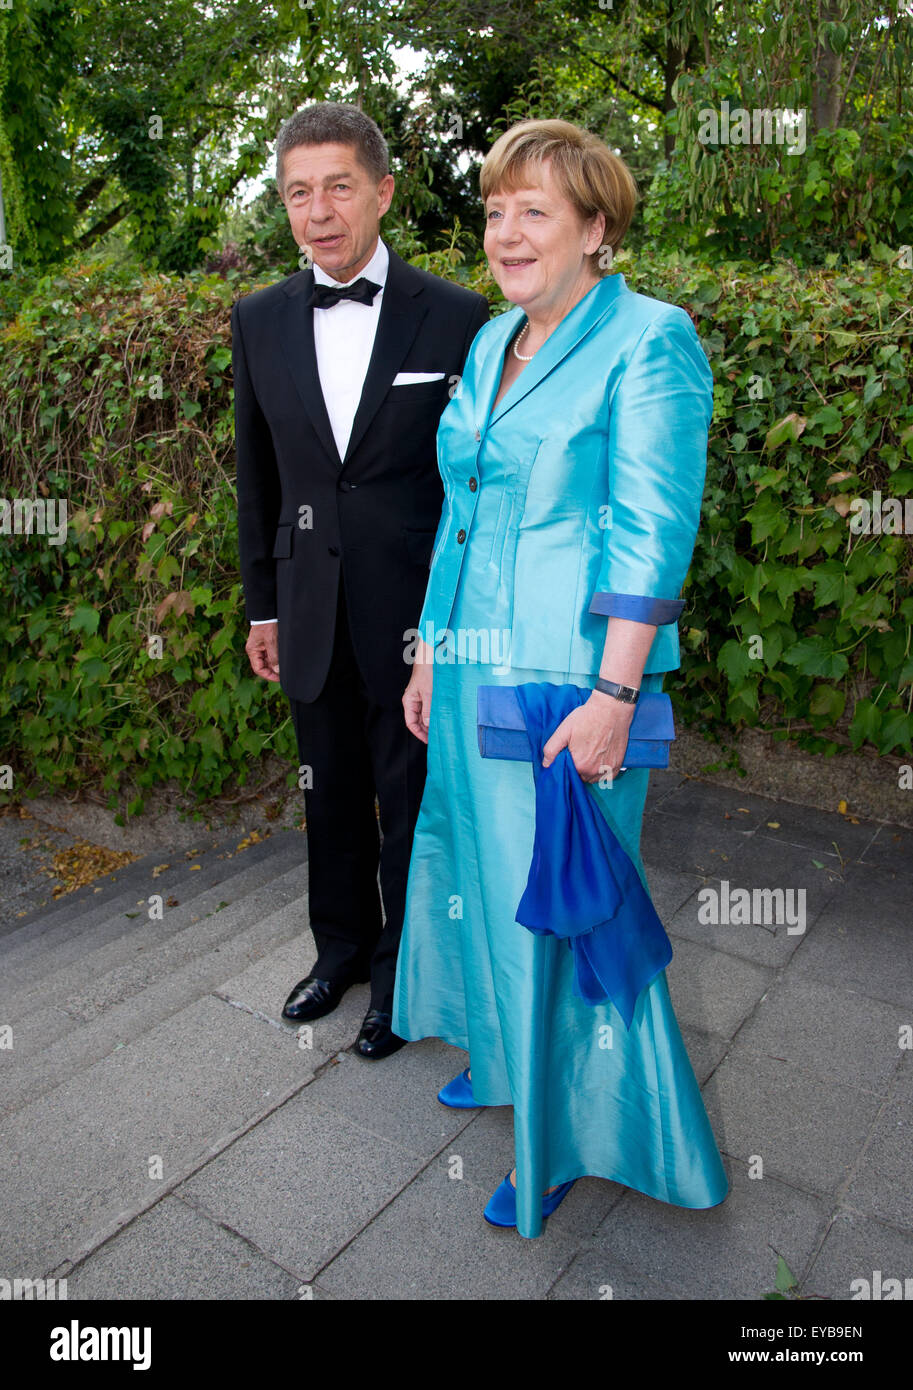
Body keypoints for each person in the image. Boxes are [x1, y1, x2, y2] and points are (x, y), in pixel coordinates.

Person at [393, 118, 729, 1234]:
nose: (505, 231)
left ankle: (575, 1138)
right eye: (493, 210)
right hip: (474, 665)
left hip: (569, 685)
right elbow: (461, 508)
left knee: (560, 914)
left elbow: (649, 531)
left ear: (597, 229)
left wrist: (615, 697)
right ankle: (503, 1058)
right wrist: (430, 649)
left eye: (534, 210)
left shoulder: (650, 338)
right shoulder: (493, 343)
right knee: (483, 885)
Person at [232, 103, 489, 1060]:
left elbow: (472, 482)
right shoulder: (256, 319)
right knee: (326, 790)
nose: (318, 210)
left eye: (338, 186)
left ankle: (401, 978)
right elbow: (258, 475)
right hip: (304, 606)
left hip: (413, 614)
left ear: (383, 192)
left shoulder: (458, 314)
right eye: (299, 191)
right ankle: (335, 952)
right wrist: (262, 601)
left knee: (410, 801)